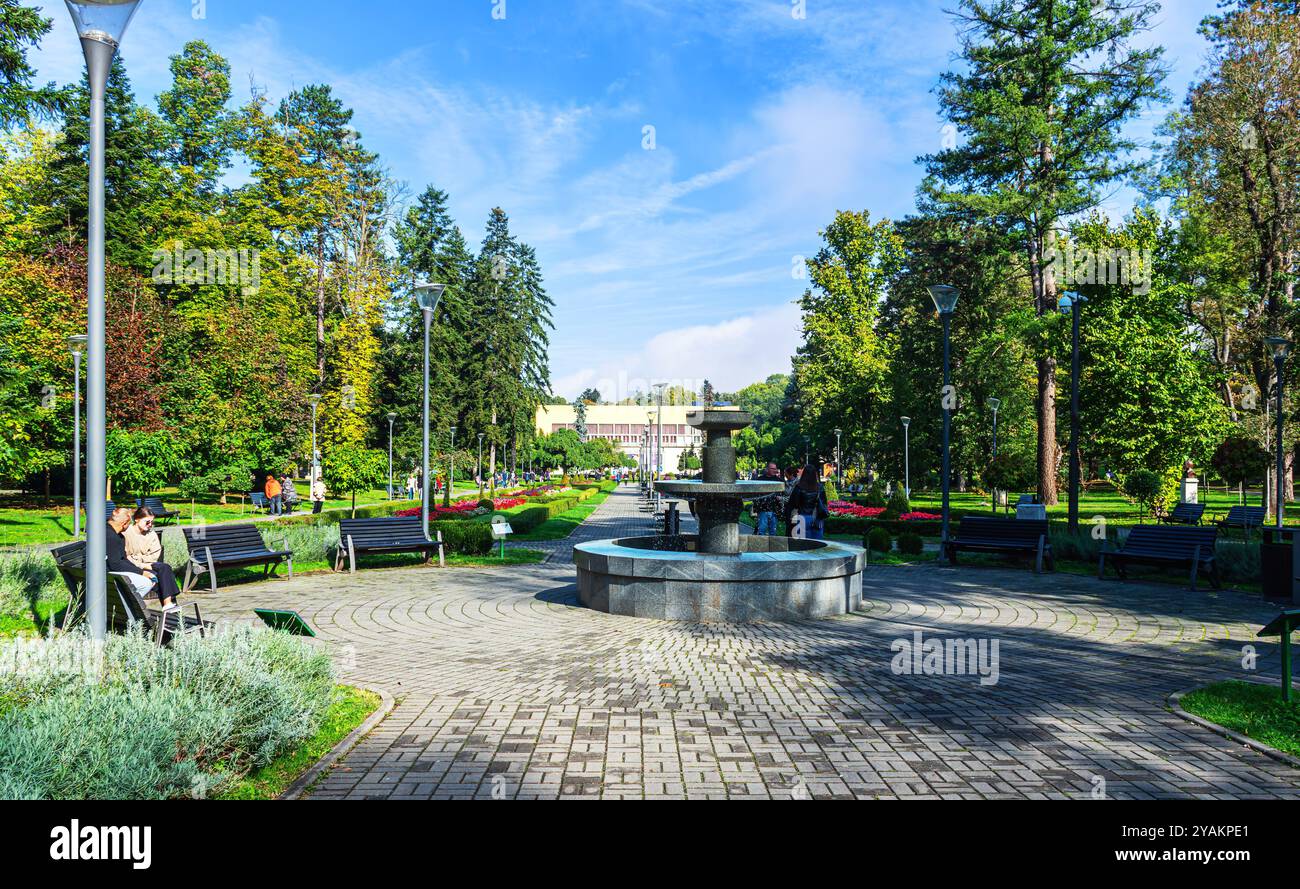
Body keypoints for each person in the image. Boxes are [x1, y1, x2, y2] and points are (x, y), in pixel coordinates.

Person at [110, 507, 182, 609]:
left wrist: (141, 561)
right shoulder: (126, 533)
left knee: (165, 568)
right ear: (137, 520)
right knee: (162, 579)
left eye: (152, 522)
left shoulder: (151, 534)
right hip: (132, 566)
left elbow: (154, 555)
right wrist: (142, 562)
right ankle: (169, 605)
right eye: (147, 522)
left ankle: (168, 605)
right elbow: (125, 556)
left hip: (149, 564)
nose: (150, 525)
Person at [785, 464, 830, 541]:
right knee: (816, 545)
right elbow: (824, 504)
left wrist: (788, 522)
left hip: (801, 518)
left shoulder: (799, 487)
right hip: (816, 519)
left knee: (801, 547)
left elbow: (792, 505)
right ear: (815, 474)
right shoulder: (819, 487)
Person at [752, 462, 785, 536]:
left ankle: (772, 547)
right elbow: (755, 495)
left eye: (775, 468)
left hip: (774, 511)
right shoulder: (760, 480)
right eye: (772, 468)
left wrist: (780, 499)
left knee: (773, 533)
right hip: (763, 510)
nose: (774, 470)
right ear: (767, 469)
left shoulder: (779, 481)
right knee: (761, 532)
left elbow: (783, 494)